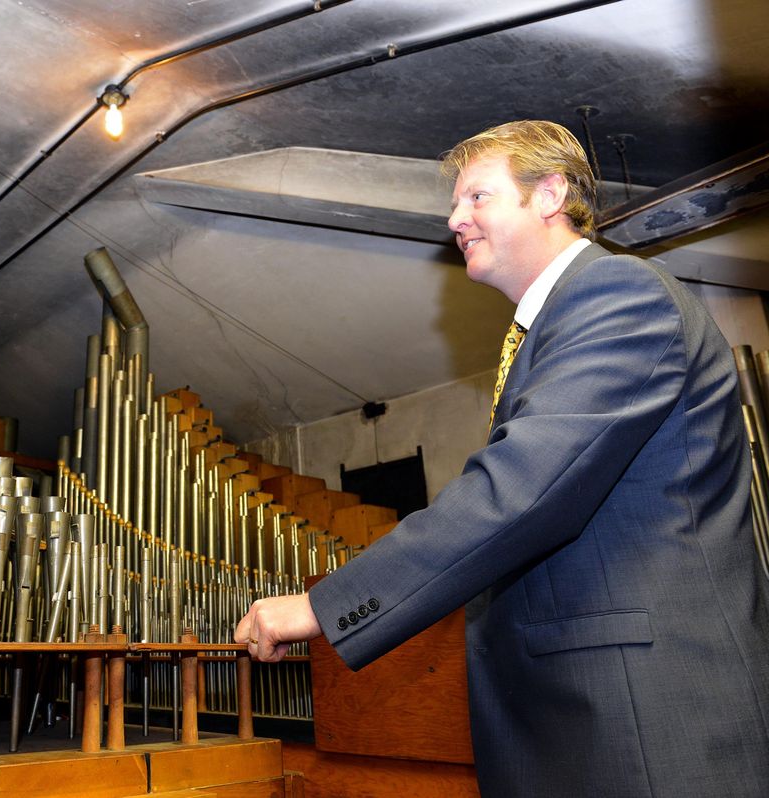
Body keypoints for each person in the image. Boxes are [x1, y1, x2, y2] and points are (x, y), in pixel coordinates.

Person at [235, 120, 769, 796]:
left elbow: (518, 493)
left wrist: (319, 607)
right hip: (577, 716)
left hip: (645, 719)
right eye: (456, 205)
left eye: (477, 197)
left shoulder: (619, 294)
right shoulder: (553, 326)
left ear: (550, 194)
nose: (456, 219)